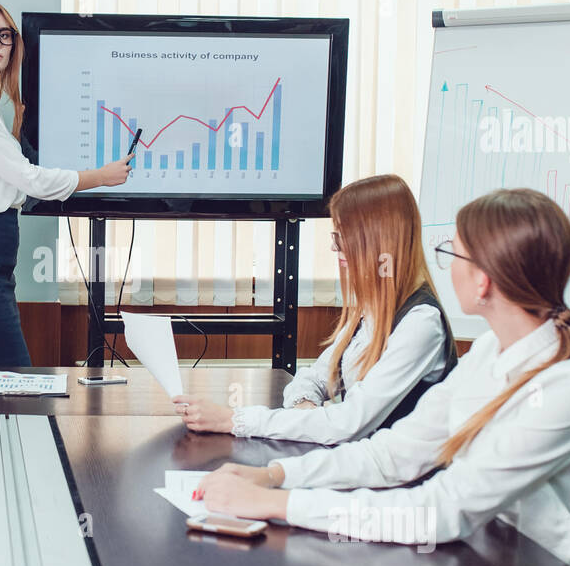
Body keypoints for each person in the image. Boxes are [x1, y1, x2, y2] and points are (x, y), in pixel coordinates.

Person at [194, 188, 570, 566]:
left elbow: (440, 512)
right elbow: (393, 455)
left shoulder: (566, 392)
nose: (444, 267)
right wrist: (274, 475)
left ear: (483, 280)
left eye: (452, 254)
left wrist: (275, 504)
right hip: (492, 557)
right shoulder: (492, 353)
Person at [173, 174, 456, 443]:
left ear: (375, 239)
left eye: (342, 237)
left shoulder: (421, 323)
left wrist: (233, 420)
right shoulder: (370, 311)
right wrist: (306, 410)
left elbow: (349, 423)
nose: (335, 248)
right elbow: (314, 377)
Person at [0, 0, 134, 367]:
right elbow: (29, 179)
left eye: (4, 36)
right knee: (13, 380)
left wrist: (15, 130)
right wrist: (101, 177)